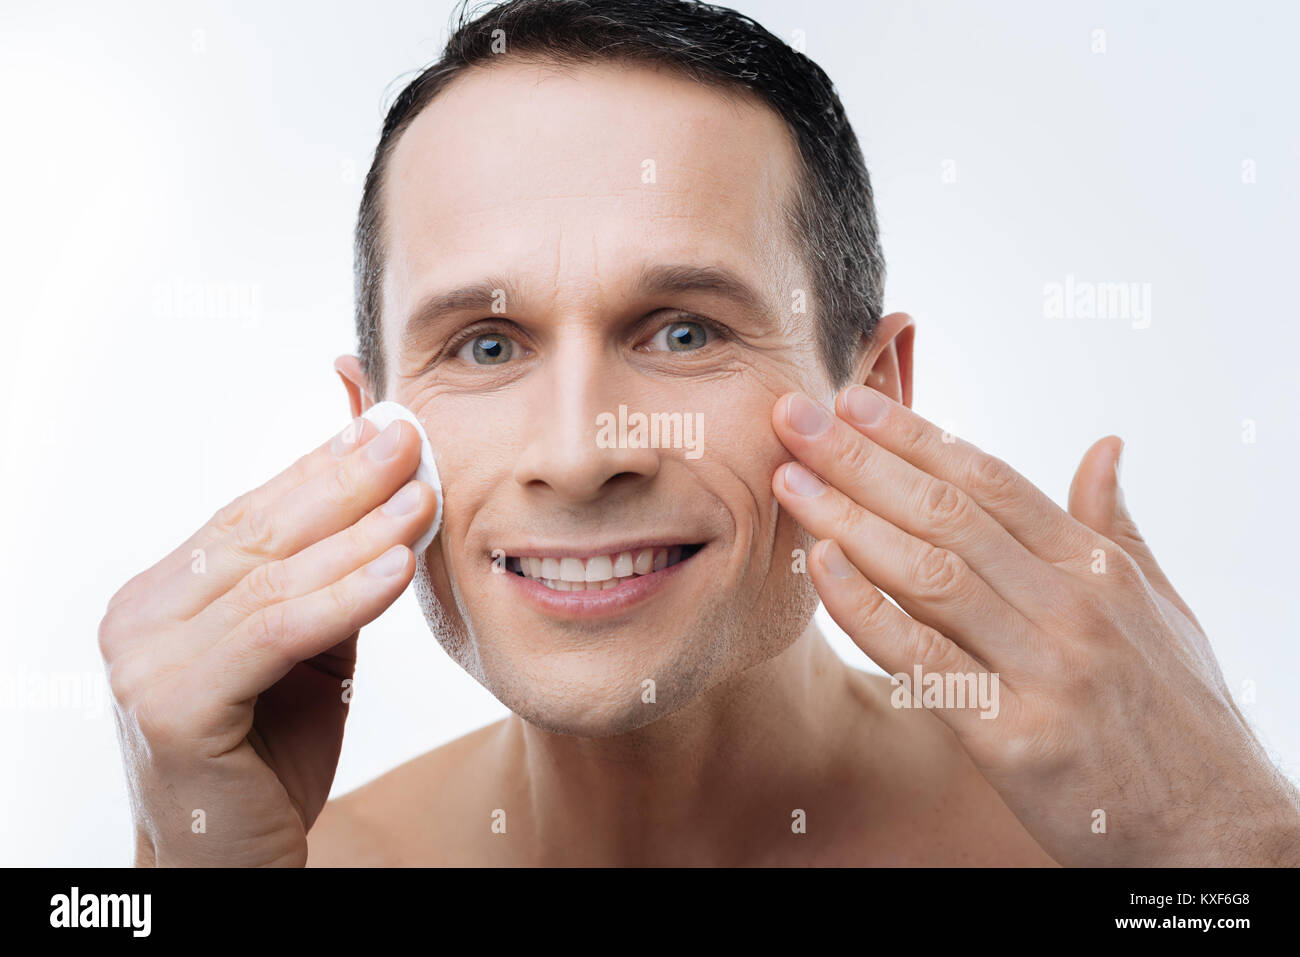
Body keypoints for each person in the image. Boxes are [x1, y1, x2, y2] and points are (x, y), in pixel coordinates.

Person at [100, 0, 1300, 866]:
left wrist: (1241, 854)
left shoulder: (1128, 857)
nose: (577, 453)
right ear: (372, 431)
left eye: (681, 332)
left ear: (872, 391)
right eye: (486, 345)